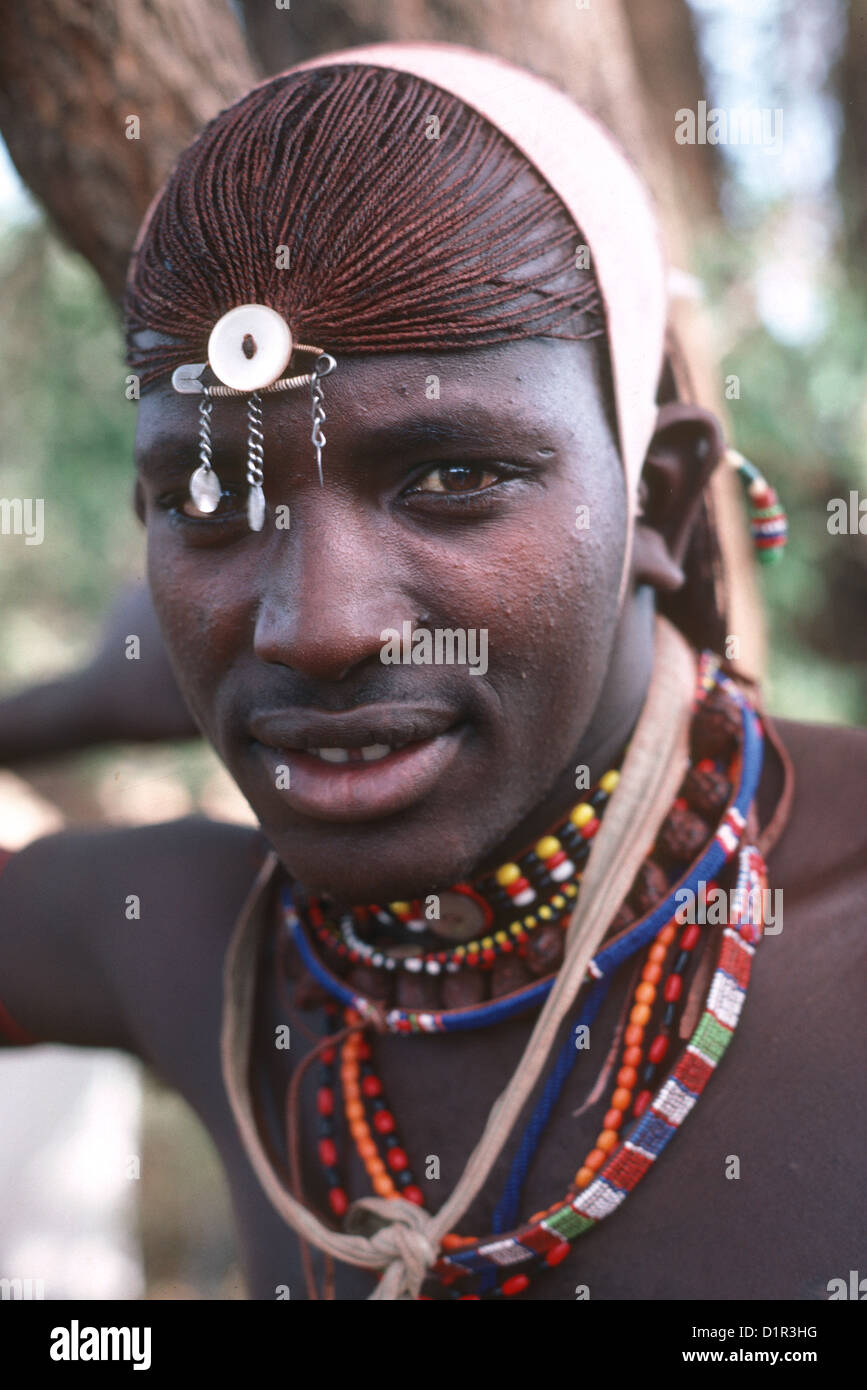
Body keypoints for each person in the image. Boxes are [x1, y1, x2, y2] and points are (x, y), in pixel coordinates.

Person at [0, 43, 864, 1302]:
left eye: (451, 477)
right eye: (209, 495)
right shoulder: (203, 941)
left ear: (659, 507)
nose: (319, 628)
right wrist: (82, 702)